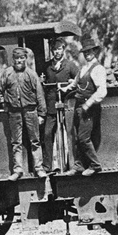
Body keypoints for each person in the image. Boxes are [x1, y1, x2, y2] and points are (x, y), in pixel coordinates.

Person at [0, 46, 47, 180]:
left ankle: (39, 168)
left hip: (31, 111)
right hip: (14, 112)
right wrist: (4, 104)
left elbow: (39, 94)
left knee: (35, 141)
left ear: (25, 59)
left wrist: (41, 114)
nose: (19, 60)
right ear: (13, 59)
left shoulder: (31, 74)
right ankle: (18, 170)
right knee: (16, 142)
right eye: (16, 58)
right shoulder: (7, 73)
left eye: (21, 58)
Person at [41, 38, 79, 173]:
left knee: (69, 134)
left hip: (67, 105)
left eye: (59, 49)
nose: (57, 52)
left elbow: (79, 81)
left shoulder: (70, 65)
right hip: (51, 105)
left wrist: (70, 83)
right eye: (54, 49)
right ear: (51, 51)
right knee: (47, 134)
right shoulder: (46, 66)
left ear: (63, 49)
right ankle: (48, 165)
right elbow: (42, 83)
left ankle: (73, 165)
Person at [72, 38, 107, 176]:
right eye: (85, 52)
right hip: (80, 106)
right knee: (77, 136)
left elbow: (102, 91)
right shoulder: (84, 68)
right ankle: (79, 165)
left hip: (89, 108)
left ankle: (95, 165)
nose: (88, 54)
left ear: (95, 51)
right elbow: (76, 83)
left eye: (90, 51)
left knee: (83, 138)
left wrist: (88, 103)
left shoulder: (98, 69)